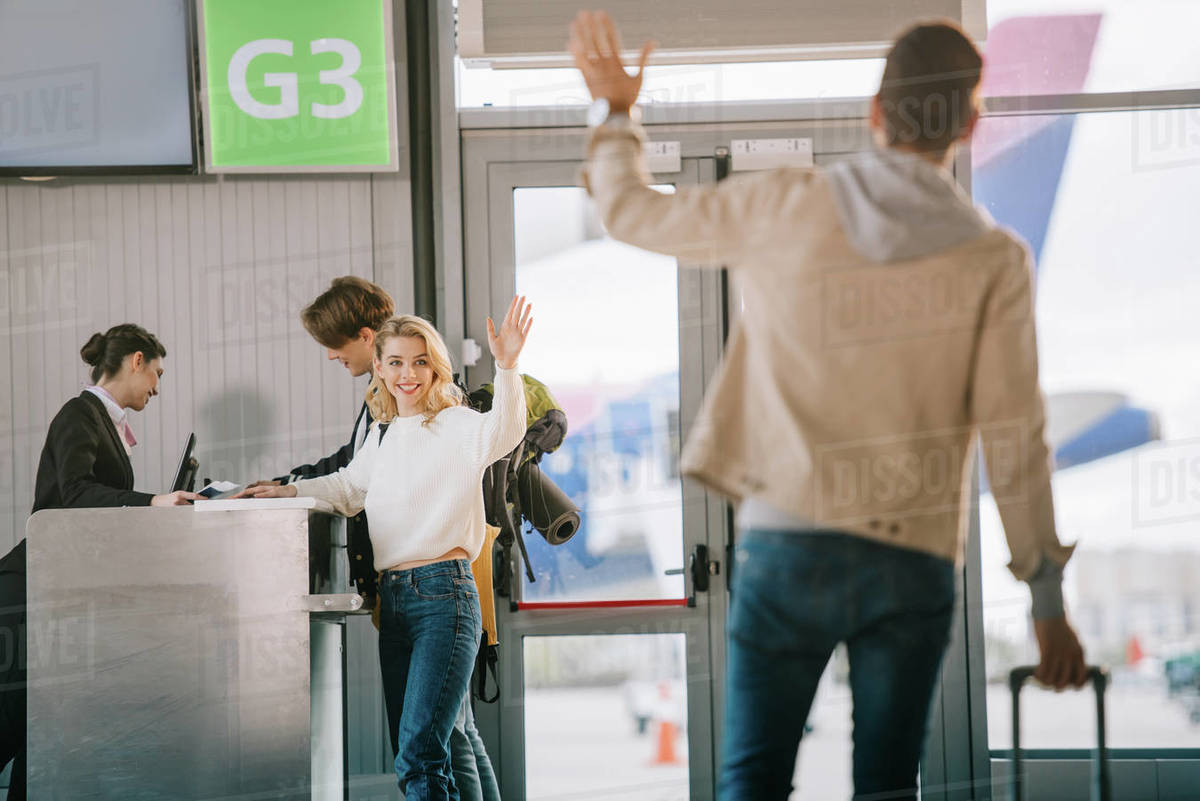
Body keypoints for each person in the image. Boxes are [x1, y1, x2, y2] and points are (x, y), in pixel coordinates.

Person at [569, 12, 1087, 801]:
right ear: (971, 125)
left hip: (790, 540)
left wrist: (616, 113)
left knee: (753, 776)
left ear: (875, 111)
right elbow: (1017, 436)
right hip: (912, 555)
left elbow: (632, 212)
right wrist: (1045, 600)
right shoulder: (994, 261)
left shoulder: (785, 204)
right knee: (885, 784)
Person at [244, 297, 532, 800]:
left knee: (421, 758)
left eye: (420, 361)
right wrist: (287, 491)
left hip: (445, 598)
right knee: (419, 754)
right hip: (394, 601)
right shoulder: (382, 435)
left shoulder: (458, 424)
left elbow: (506, 431)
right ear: (378, 367)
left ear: (434, 366)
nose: (407, 374)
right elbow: (348, 488)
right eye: (395, 362)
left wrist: (506, 365)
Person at [0, 324, 200, 799]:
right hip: (28, 588)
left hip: (57, 588)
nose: (157, 387)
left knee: (39, 724)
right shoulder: (80, 414)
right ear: (135, 360)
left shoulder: (102, 420)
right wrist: (153, 502)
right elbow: (75, 494)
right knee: (13, 719)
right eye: (156, 373)